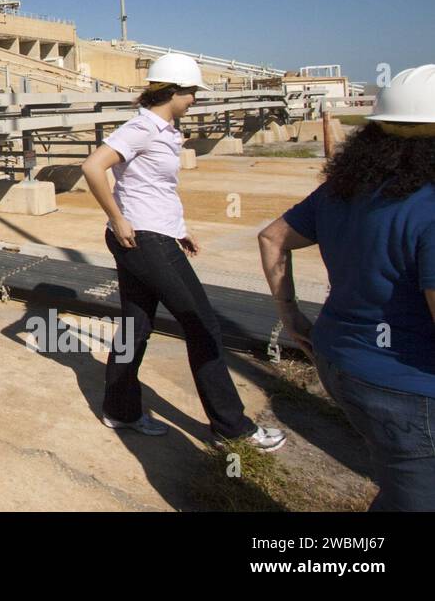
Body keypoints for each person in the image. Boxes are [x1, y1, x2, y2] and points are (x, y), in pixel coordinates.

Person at [81, 53, 285, 449]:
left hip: (154, 235)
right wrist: (118, 218)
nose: (195, 98)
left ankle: (120, 410)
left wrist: (179, 230)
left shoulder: (165, 129)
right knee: (202, 325)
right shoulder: (143, 127)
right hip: (142, 239)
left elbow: (156, 189)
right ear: (172, 91)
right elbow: (93, 167)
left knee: (137, 325)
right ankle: (232, 427)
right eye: (191, 92)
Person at [259, 65, 435, 509]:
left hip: (340, 363)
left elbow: (272, 237)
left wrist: (290, 315)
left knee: (401, 487)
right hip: (408, 390)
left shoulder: (345, 188)